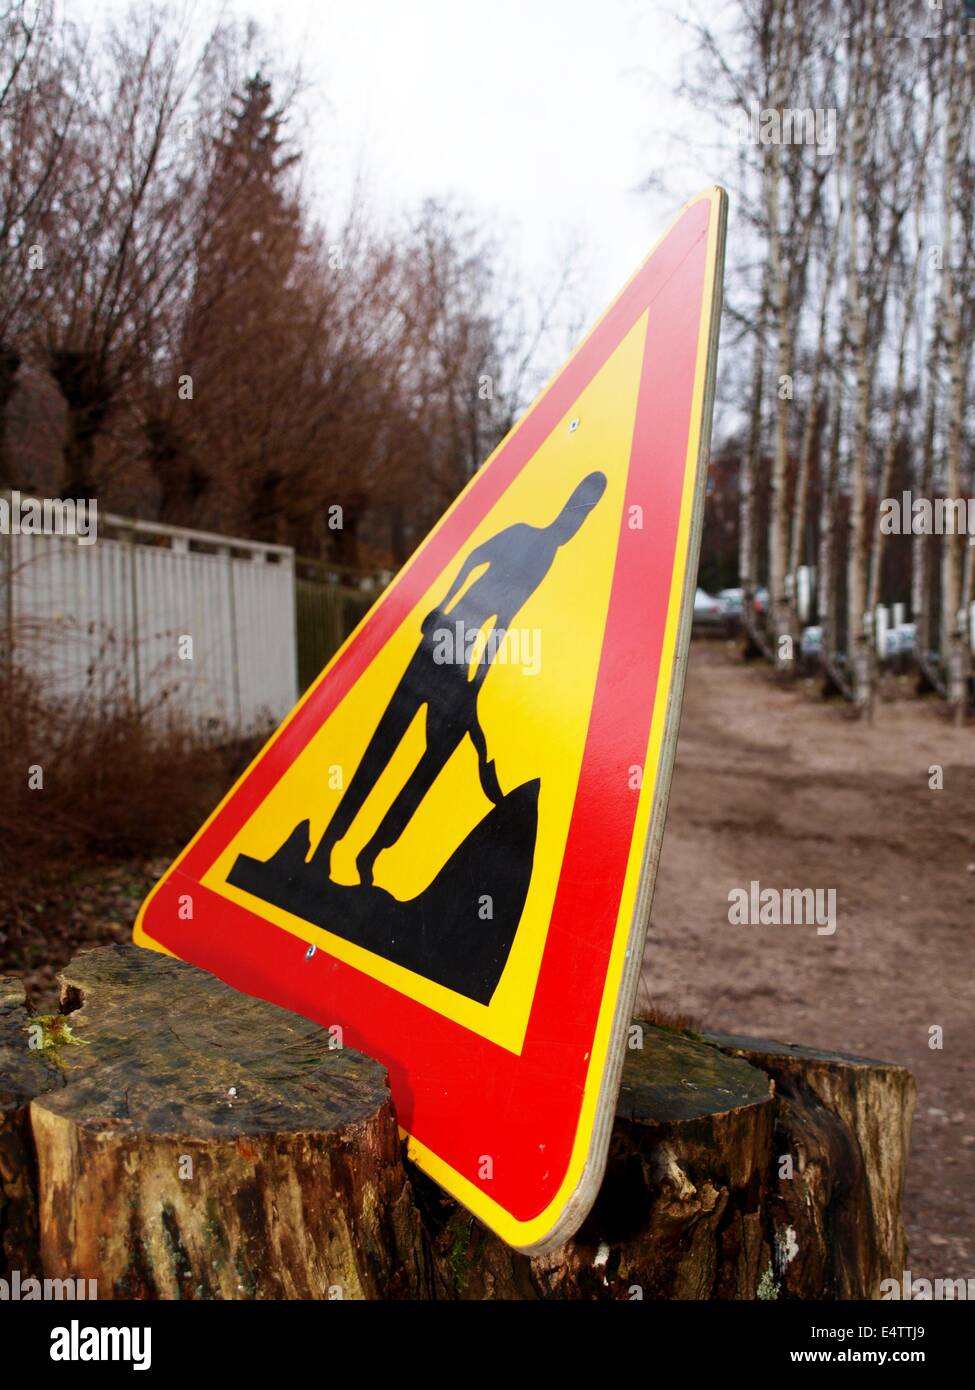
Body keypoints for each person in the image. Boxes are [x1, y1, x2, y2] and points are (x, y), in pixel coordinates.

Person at [312, 470, 608, 886]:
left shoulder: (547, 558)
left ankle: (370, 854)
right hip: (441, 640)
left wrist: (478, 681)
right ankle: (328, 846)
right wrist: (445, 606)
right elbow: (474, 558)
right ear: (565, 505)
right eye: (578, 508)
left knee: (429, 765)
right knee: (384, 746)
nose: (575, 523)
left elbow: (506, 620)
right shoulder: (524, 533)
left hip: (464, 660)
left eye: (586, 515)